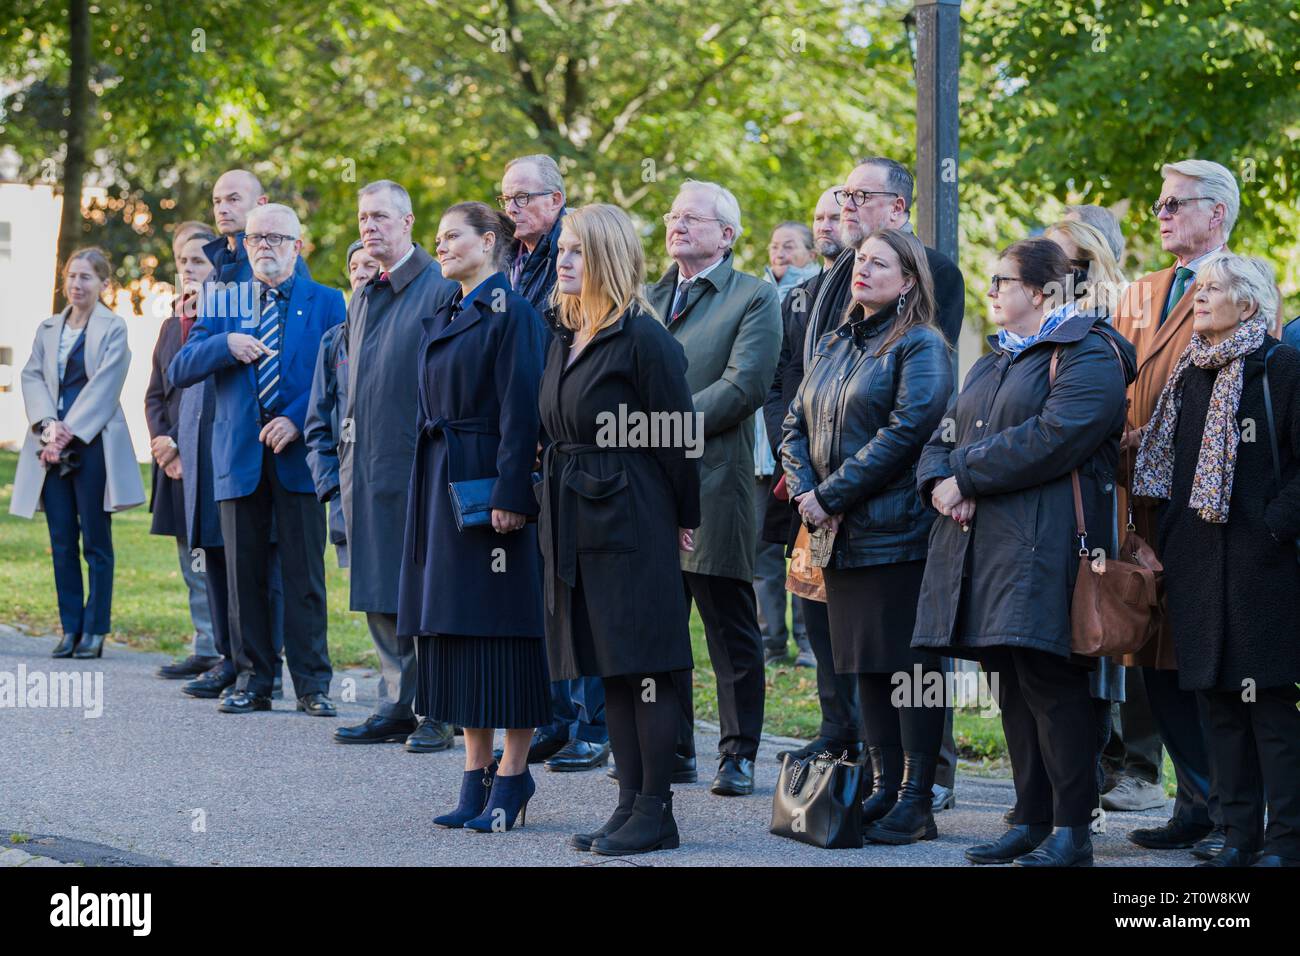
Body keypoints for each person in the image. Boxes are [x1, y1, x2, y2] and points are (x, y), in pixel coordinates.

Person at [913, 237, 1135, 867]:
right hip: (984, 547)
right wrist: (938, 483)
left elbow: (1055, 436)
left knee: (1052, 683)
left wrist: (968, 478)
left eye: (1002, 280)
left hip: (1051, 545)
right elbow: (944, 434)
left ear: (1042, 292)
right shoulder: (993, 361)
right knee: (1010, 681)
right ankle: (1030, 818)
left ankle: (1072, 830)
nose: (991, 290)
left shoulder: (1088, 353)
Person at [537, 203, 701, 855]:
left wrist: (685, 516)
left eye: (577, 250)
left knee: (645, 666)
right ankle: (629, 804)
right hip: (576, 514)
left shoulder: (642, 337)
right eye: (562, 250)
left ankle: (656, 811)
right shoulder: (565, 330)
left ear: (606, 257)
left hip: (633, 514)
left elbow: (679, 434)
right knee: (609, 665)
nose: (564, 260)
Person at [782, 228, 953, 844]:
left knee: (909, 669)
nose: (863, 269)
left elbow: (909, 433)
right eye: (860, 261)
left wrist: (829, 496)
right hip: (840, 533)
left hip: (897, 532)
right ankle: (883, 789)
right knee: (867, 667)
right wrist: (806, 488)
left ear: (909, 280)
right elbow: (794, 420)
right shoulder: (836, 340)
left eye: (880, 263)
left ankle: (917, 800)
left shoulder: (921, 345)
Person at [1132, 253, 1300, 868]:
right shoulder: (1190, 374)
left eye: (1213, 289)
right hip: (1199, 564)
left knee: (1270, 711)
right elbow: (1172, 471)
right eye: (1197, 289)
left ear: (1248, 304)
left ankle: (1286, 842)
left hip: (1266, 570)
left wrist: (1272, 527)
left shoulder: (1283, 368)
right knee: (1220, 706)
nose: (1198, 298)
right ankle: (1238, 837)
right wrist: (1172, 537)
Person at [396, 201, 549, 833]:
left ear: (490, 242)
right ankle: (474, 775)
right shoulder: (448, 310)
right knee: (455, 631)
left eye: (453, 236)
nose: (442, 245)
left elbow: (522, 408)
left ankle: (513, 775)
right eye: (438, 238)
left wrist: (512, 493)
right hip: (439, 485)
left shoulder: (511, 313)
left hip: (487, 490)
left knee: (500, 632)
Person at [169, 203, 342, 716]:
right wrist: (226, 343)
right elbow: (182, 369)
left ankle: (313, 685)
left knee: (303, 575)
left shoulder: (329, 301)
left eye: (277, 238)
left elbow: (337, 377)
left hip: (298, 454)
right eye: (256, 238)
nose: (265, 245)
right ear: (244, 247)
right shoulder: (222, 301)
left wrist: (295, 418)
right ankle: (253, 680)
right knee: (243, 578)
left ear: (298, 246)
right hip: (238, 456)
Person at [1113, 159, 1238, 858]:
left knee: (1198, 661)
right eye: (1157, 203)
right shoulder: (1142, 291)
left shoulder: (1237, 284)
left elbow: (1232, 392)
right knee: (1149, 656)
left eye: (1174, 204)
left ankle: (1228, 808)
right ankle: (1192, 803)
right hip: (1134, 502)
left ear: (1215, 213)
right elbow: (1112, 375)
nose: (1160, 213)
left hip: (1197, 503)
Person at [645, 179, 782, 797]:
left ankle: (737, 753)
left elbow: (743, 387)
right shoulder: (647, 297)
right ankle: (672, 750)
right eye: (673, 216)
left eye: (692, 218)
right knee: (659, 623)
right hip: (646, 485)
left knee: (728, 625)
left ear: (727, 235)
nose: (677, 225)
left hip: (713, 485)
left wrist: (654, 427)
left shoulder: (754, 296)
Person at [331, 181, 459, 751]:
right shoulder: (363, 293)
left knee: (426, 586)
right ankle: (397, 701)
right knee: (377, 582)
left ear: (408, 221)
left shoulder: (438, 286)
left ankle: (437, 706)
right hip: (365, 460)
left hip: (419, 460)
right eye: (363, 218)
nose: (369, 227)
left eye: (380, 217)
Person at [498, 153, 611, 773]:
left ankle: (594, 724)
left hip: (566, 441)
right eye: (506, 197)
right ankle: (558, 716)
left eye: (523, 197)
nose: (511, 207)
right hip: (527, 436)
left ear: (556, 197)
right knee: (544, 595)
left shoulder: (573, 252)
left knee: (580, 591)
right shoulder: (509, 258)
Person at [764, 187, 864, 765]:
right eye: (820, 217)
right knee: (812, 604)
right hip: (802, 484)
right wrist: (793, 455)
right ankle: (835, 726)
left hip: (855, 481)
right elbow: (782, 384)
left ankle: (891, 753)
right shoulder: (800, 297)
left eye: (837, 215)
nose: (827, 224)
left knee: (859, 619)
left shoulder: (883, 292)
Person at [11, 247, 146, 658]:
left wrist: (68, 433)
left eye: (86, 277)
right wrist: (49, 427)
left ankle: (95, 629)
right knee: (62, 540)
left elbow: (107, 383)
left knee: (96, 541)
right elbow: (32, 375)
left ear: (104, 284)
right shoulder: (48, 327)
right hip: (48, 445)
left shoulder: (114, 327)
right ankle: (70, 627)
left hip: (93, 445)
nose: (76, 284)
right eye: (72, 276)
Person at [151, 221, 221, 680]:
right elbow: (155, 394)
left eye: (199, 260)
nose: (190, 269)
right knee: (187, 555)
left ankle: (227, 649)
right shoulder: (170, 325)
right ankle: (204, 643)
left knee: (215, 556)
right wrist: (164, 444)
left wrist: (180, 441)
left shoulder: (224, 318)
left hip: (210, 457)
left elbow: (213, 393)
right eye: (183, 262)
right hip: (173, 464)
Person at [756, 221, 819, 669]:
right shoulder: (756, 292)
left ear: (810, 253)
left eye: (790, 246)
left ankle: (807, 643)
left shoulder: (816, 293)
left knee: (802, 544)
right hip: (761, 443)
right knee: (763, 548)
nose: (779, 252)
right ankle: (770, 639)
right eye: (775, 245)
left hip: (800, 445)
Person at [304, 240, 374, 571]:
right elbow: (316, 422)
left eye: (370, 266)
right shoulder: (333, 341)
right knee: (367, 606)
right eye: (354, 267)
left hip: (396, 495)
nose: (360, 274)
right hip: (346, 499)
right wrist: (332, 485)